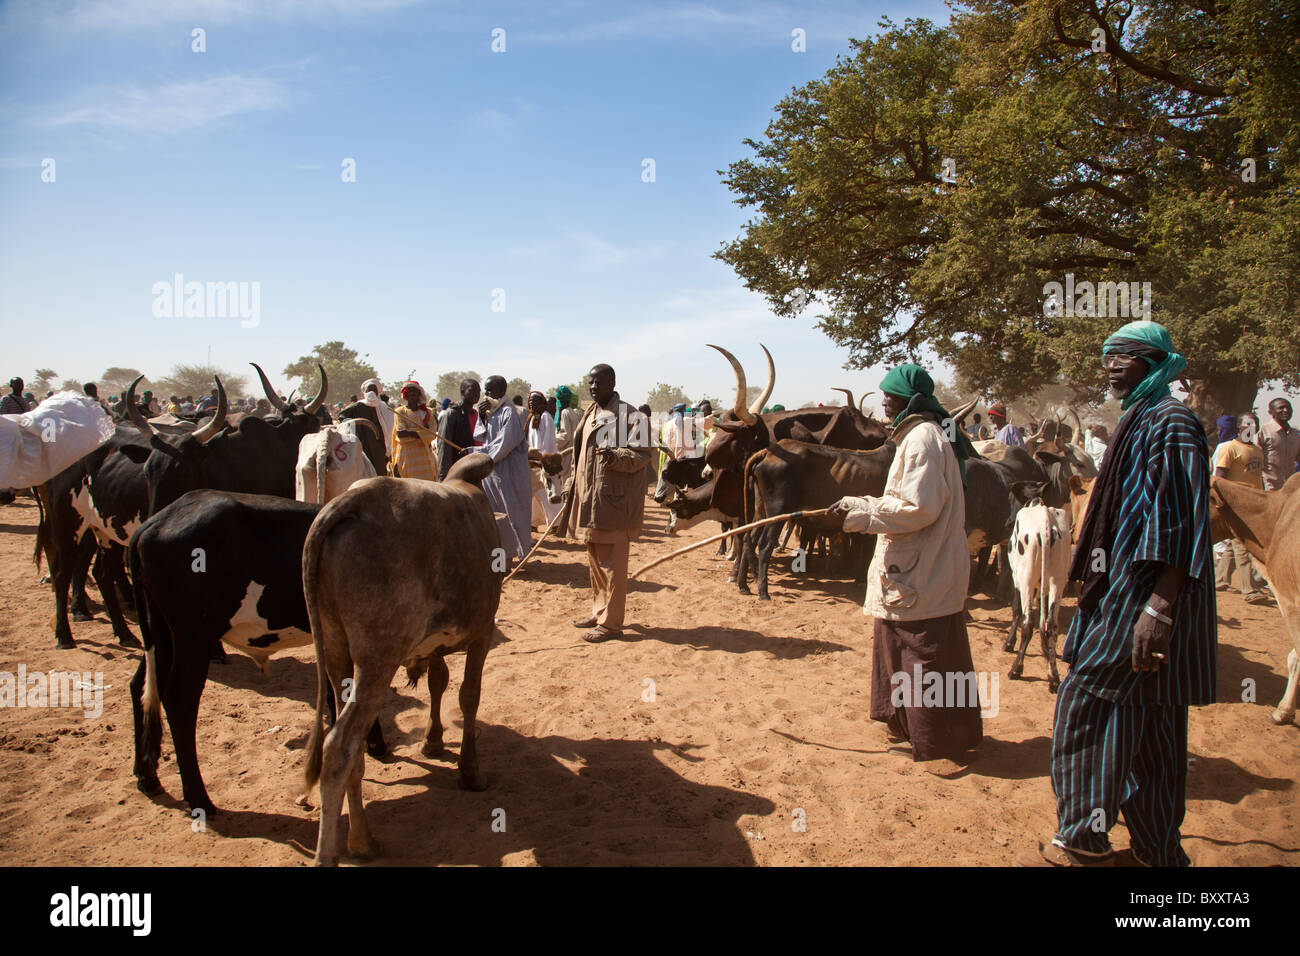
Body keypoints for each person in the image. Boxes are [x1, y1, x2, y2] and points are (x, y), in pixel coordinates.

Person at [1035, 320, 1214, 868]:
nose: (1114, 365)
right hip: (1123, 593)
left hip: (1141, 600)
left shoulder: (1174, 422)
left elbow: (1182, 525)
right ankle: (1158, 856)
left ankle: (1082, 842)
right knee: (1155, 729)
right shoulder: (1138, 417)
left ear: (1157, 362)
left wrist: (1158, 609)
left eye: (1129, 356)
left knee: (1084, 703)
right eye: (1109, 356)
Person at [828, 363, 980, 764]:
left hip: (920, 569)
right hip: (925, 567)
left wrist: (861, 515)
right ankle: (922, 729)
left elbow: (917, 508)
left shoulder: (922, 439)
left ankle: (931, 738)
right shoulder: (923, 435)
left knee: (919, 654)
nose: (884, 403)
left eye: (890, 396)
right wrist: (859, 505)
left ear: (910, 400)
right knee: (913, 648)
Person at [558, 364, 651, 643]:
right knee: (596, 562)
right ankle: (599, 612)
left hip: (614, 502)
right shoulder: (590, 413)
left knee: (613, 566)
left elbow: (643, 454)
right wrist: (568, 486)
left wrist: (616, 457)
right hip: (588, 501)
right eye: (590, 383)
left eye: (599, 382)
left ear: (612, 383)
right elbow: (578, 457)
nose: (593, 387)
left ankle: (611, 624)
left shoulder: (630, 415)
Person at [1213, 412, 1269, 604]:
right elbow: (1219, 477)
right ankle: (1249, 589)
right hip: (1235, 504)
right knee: (1243, 545)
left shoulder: (1257, 450)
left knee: (1232, 544)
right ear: (1239, 426)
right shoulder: (1229, 448)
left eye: (1255, 423)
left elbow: (1258, 476)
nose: (1251, 426)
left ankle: (1220, 579)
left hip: (1253, 504)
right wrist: (1221, 501)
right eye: (1247, 423)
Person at [479, 375, 532, 559]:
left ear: (502, 391)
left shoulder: (509, 412)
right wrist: (481, 416)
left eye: (490, 390)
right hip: (493, 475)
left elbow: (504, 444)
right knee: (497, 517)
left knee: (513, 516)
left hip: (510, 475)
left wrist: (479, 455)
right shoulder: (490, 413)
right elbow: (481, 436)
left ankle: (520, 556)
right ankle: (503, 559)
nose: (487, 394)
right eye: (485, 390)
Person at [527, 390, 562, 528]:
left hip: (545, 461)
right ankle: (534, 522)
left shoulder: (546, 417)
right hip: (533, 461)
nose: (532, 403)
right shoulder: (532, 418)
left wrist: (545, 459)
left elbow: (548, 440)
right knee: (534, 494)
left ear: (542, 404)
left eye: (535, 401)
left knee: (547, 493)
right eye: (530, 401)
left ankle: (555, 523)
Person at [390, 381, 438, 480]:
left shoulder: (427, 412)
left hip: (425, 457)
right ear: (405, 394)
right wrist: (422, 433)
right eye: (409, 391)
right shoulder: (400, 411)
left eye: (414, 391)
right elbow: (401, 434)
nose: (412, 394)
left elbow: (432, 434)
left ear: (419, 394)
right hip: (407, 458)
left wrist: (411, 433)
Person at [438, 379, 482, 479]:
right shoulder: (451, 414)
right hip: (459, 469)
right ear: (462, 392)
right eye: (472, 390)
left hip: (476, 467)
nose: (476, 394)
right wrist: (444, 476)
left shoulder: (478, 414)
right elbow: (444, 446)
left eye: (478, 391)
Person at [1259, 398, 1300, 492]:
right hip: (1269, 488)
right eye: (1281, 408)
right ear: (1270, 412)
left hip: (1290, 489)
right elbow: (1254, 457)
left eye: (1288, 408)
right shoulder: (1263, 431)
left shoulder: (1295, 434)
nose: (1285, 410)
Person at [359, 378, 395, 468]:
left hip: (380, 445)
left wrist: (389, 450)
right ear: (365, 392)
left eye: (374, 390)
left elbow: (391, 428)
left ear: (377, 392)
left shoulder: (384, 407)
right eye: (369, 390)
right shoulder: (358, 406)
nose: (371, 392)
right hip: (363, 444)